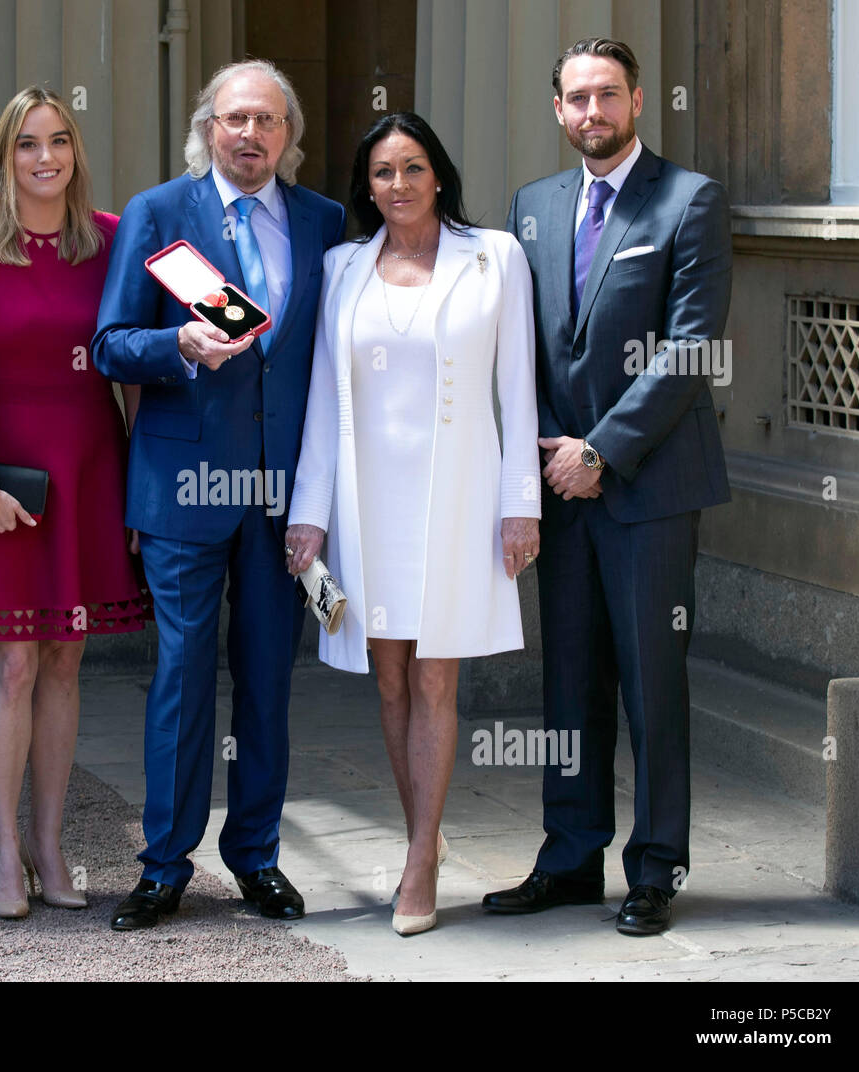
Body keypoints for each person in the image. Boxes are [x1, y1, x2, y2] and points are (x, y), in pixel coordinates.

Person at [483, 37, 732, 936]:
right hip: (560, 484)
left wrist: (601, 450)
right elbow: (525, 341)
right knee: (570, 682)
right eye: (577, 99)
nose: (593, 113)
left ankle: (657, 867)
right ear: (558, 110)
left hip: (648, 486)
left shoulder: (688, 199)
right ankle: (570, 856)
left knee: (650, 681)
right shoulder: (535, 206)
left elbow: (691, 345)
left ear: (636, 101)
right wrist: (546, 456)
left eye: (608, 97)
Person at [93, 60, 345, 931]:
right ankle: (164, 864)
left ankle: (257, 858)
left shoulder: (325, 223)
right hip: (182, 487)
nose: (250, 134)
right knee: (182, 678)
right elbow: (110, 345)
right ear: (209, 127)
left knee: (270, 683)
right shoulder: (159, 213)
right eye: (234, 118)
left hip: (280, 496)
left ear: (288, 133)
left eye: (266, 120)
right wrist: (182, 345)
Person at [285, 113, 542, 936]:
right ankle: (417, 838)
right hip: (367, 502)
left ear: (440, 176)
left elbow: (518, 388)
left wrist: (520, 502)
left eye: (415, 168)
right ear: (367, 185)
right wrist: (310, 517)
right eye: (384, 171)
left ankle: (420, 859)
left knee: (436, 678)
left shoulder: (494, 256)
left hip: (460, 496)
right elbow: (324, 398)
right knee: (389, 678)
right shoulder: (340, 266)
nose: (400, 184)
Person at [0, 87, 147, 919]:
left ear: (75, 152)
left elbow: (130, 373)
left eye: (59, 141)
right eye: (26, 144)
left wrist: (139, 491)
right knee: (12, 660)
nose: (45, 158)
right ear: (3, 156)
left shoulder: (115, 241)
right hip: (1, 477)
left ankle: (51, 844)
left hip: (88, 473)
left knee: (65, 658)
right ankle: (4, 850)